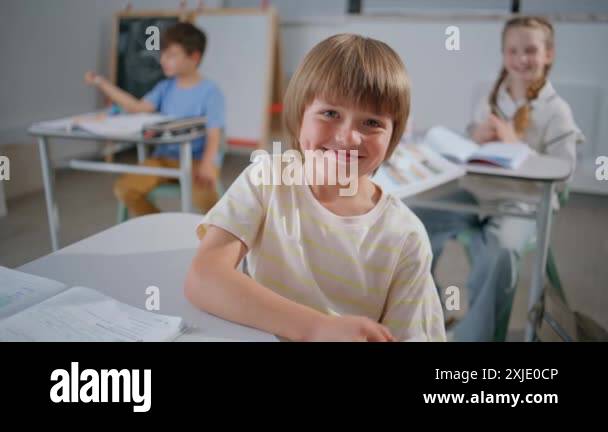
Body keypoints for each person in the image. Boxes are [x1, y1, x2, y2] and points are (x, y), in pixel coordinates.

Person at [184, 34, 446, 342]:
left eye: (372, 123)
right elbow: (203, 277)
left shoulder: (405, 237)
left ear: (393, 136)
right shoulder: (267, 180)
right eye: (331, 113)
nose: (348, 138)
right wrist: (318, 328)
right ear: (299, 115)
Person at [415, 16, 584, 341]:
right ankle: (429, 312)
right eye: (513, 51)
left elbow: (563, 170)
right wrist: (475, 135)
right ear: (504, 54)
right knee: (414, 222)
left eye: (530, 50)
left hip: (522, 204)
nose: (521, 59)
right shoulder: (490, 101)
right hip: (477, 195)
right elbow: (474, 148)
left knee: (501, 251)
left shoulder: (556, 111)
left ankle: (476, 337)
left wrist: (515, 146)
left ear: (548, 54)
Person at [84, 22, 226, 216]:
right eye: (163, 54)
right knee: (125, 189)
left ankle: (219, 239)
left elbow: (214, 134)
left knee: (207, 203)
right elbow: (136, 107)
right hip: (162, 160)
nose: (164, 60)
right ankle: (160, 228)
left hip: (196, 161)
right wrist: (101, 83)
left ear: (194, 57)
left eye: (172, 55)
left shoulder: (210, 92)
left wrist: (208, 163)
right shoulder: (165, 87)